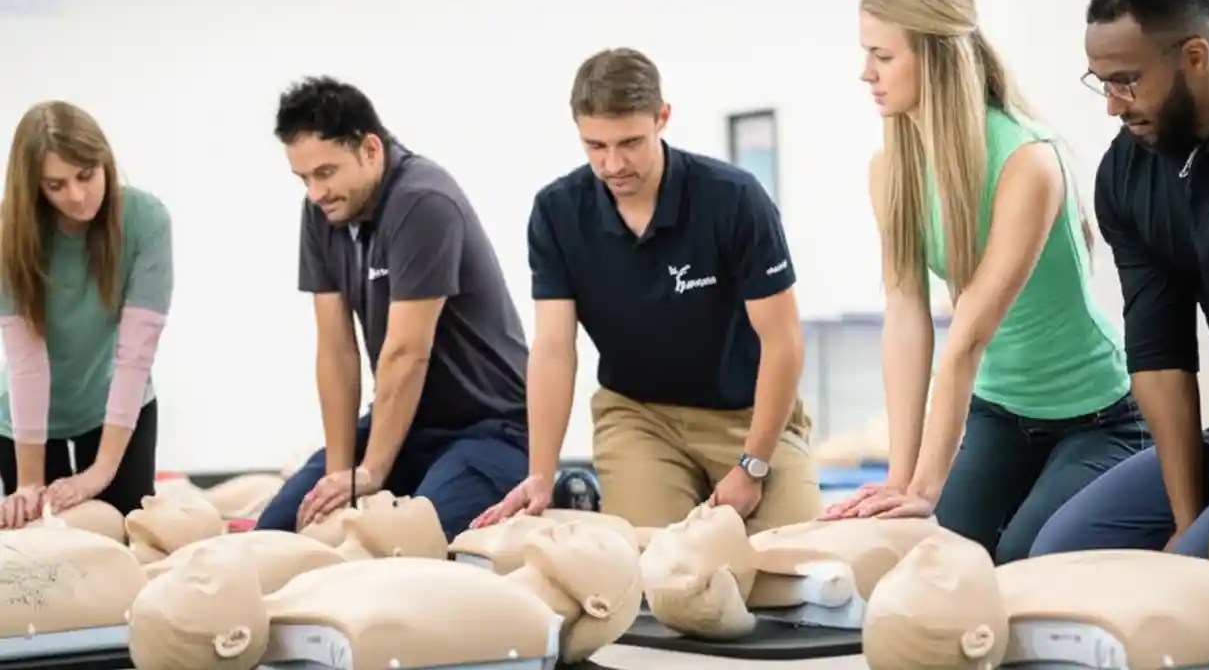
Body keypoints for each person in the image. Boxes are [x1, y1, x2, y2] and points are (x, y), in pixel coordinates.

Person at [820, 0, 1150, 564]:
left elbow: (969, 335)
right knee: (943, 556)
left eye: (882, 56)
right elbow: (906, 316)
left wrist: (926, 486)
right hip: (999, 413)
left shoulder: (1028, 161)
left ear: (936, 56)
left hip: (1099, 418)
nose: (865, 72)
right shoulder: (889, 170)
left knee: (1023, 556)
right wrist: (900, 477)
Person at [470, 48, 821, 535]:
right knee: (659, 570)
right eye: (595, 146)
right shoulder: (557, 212)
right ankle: (590, 496)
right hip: (641, 417)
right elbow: (553, 349)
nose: (613, 164)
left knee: (795, 563)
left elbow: (782, 340)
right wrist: (539, 474)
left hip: (747, 414)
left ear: (663, 118)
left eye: (630, 142)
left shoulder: (734, 199)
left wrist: (753, 466)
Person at [1030, 0, 1209, 559]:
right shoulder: (1127, 171)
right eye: (1102, 83)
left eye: (1127, 81)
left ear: (1194, 57)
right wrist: (1184, 517)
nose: (1113, 106)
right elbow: (1159, 352)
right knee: (1063, 551)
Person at [254, 77, 530, 541]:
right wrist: (341, 477)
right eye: (303, 179)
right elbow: (337, 350)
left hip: (491, 429)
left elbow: (406, 352)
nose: (316, 192)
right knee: (280, 531)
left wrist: (372, 473)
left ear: (370, 149)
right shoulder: (322, 213)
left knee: (403, 543)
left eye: (326, 172)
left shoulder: (422, 200)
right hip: (404, 427)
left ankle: (566, 491)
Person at [0, 100, 173, 528]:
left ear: (104, 162)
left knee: (126, 530)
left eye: (86, 175)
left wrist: (101, 471)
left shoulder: (146, 220)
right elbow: (26, 363)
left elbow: (135, 355)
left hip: (114, 403)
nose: (77, 196)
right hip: (27, 417)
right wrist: (28, 483)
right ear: (34, 186)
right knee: (45, 542)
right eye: (56, 185)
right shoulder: (9, 234)